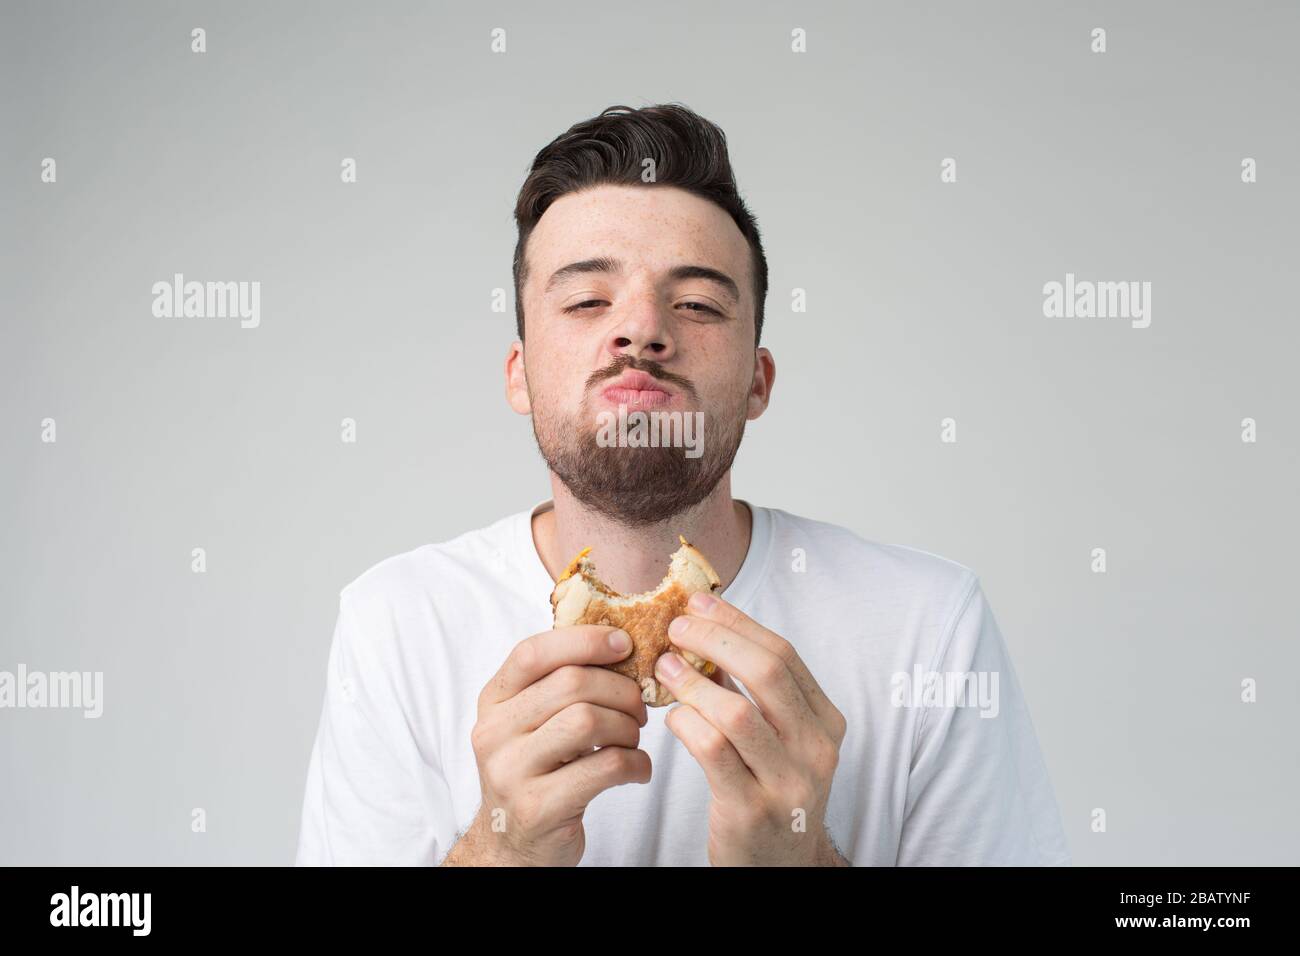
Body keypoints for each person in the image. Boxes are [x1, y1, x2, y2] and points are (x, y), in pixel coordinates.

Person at [294, 103, 1071, 866]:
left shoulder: (928, 627)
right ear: (519, 375)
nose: (640, 331)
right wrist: (501, 852)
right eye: (586, 300)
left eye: (697, 303)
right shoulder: (397, 621)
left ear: (758, 382)